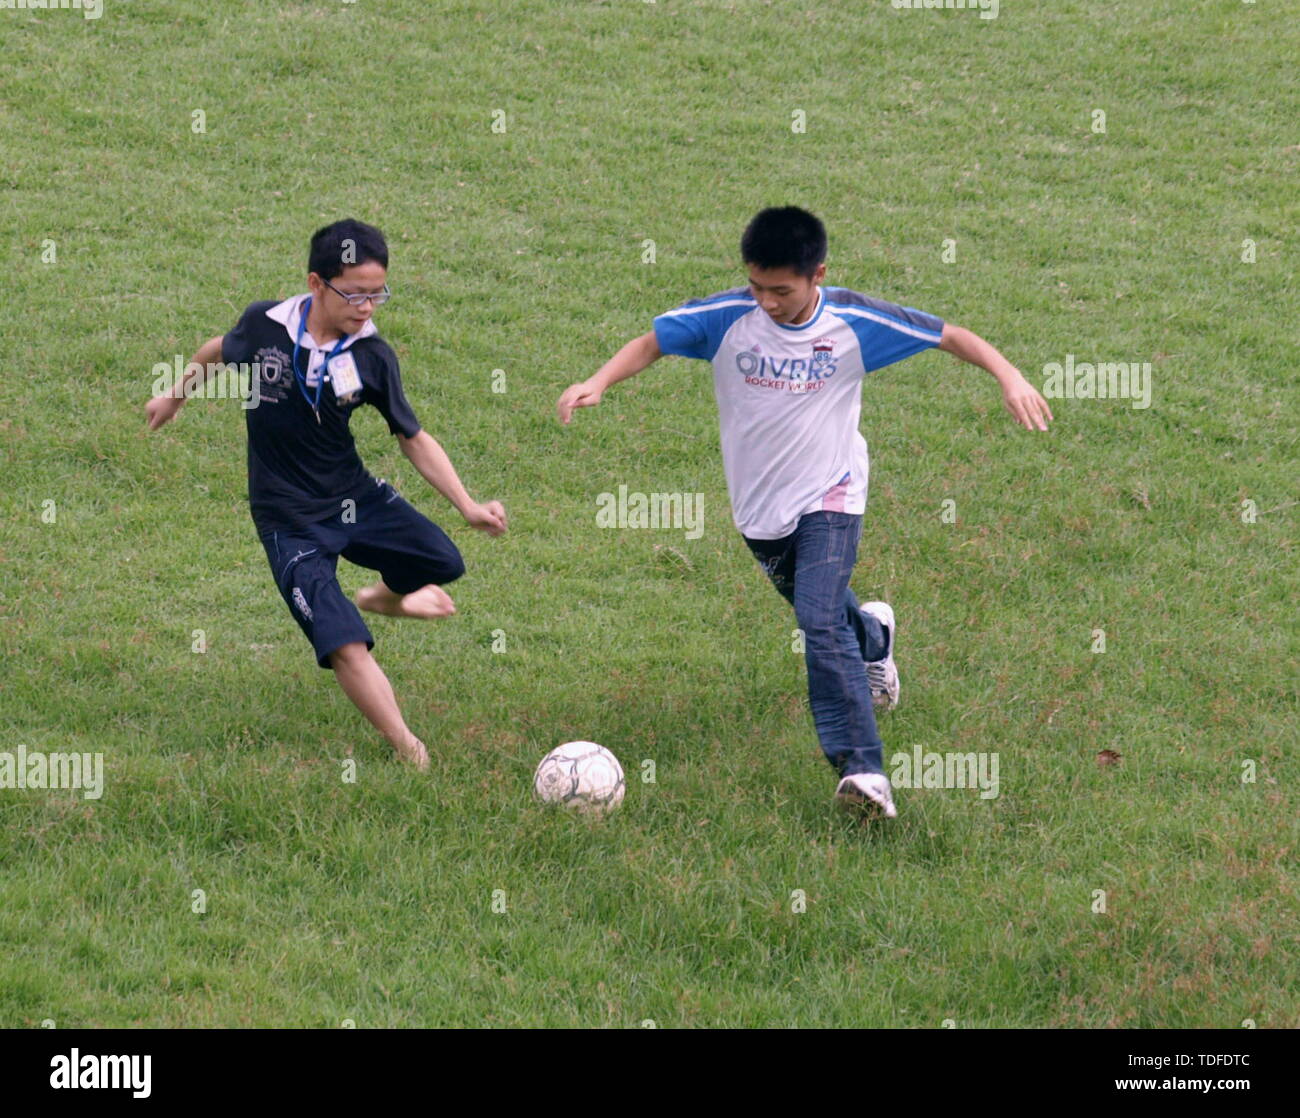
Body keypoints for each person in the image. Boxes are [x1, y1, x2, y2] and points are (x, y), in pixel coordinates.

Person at [557, 206, 1051, 817]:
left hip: (833, 494)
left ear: (818, 274)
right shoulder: (728, 317)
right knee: (829, 616)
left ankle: (863, 771)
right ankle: (874, 637)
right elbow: (654, 341)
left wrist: (1009, 375)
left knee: (817, 620)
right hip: (759, 510)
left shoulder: (853, 321)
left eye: (781, 291)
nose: (766, 301)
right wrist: (599, 382)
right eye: (757, 286)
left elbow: (949, 335)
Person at [147, 219, 506, 769]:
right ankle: (409, 748)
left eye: (376, 293)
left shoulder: (371, 356)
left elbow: (412, 436)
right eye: (354, 293)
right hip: (287, 518)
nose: (367, 306)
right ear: (317, 283)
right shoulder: (265, 326)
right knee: (342, 639)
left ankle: (385, 598)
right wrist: (175, 396)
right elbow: (219, 348)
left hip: (353, 497)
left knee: (442, 559)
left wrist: (468, 505)